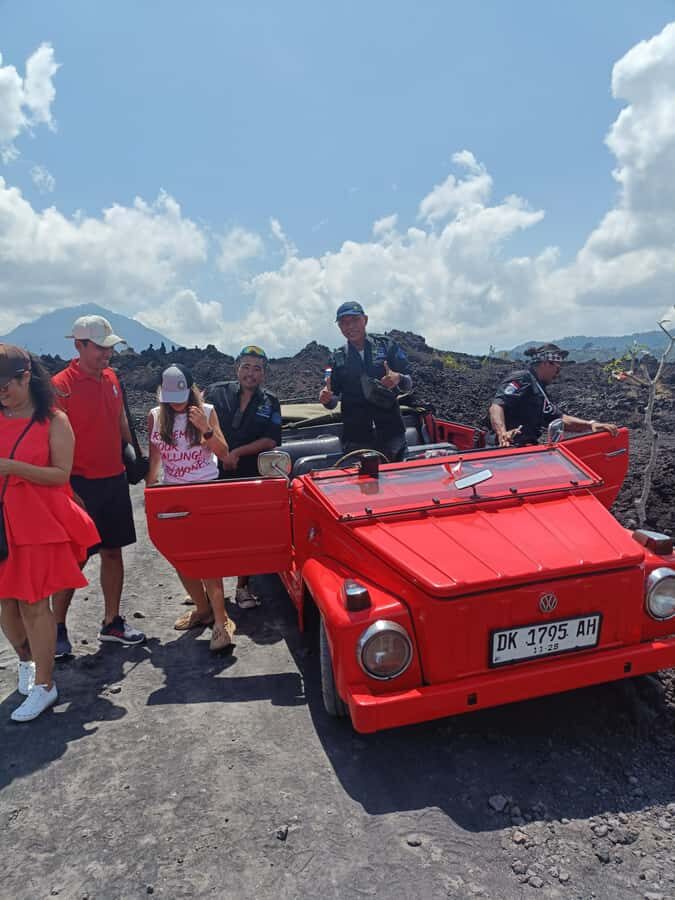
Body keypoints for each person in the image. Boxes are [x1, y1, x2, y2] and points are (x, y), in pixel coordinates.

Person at [0, 345, 100, 721]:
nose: (1, 393)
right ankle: (27, 661)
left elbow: (61, 474)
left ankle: (45, 684)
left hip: (38, 523)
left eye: (6, 385)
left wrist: (12, 467)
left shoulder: (54, 421)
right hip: (3, 522)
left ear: (27, 377)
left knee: (33, 603)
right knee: (6, 604)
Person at [51, 315, 145, 655]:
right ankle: (56, 628)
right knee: (73, 558)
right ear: (79, 345)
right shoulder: (60, 385)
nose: (108, 354)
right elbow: (50, 441)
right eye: (102, 348)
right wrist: (67, 491)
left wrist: (130, 451)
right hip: (79, 484)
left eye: (110, 348)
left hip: (113, 479)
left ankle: (112, 622)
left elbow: (120, 416)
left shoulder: (112, 378)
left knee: (113, 550)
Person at [147, 364, 236, 651]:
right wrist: (150, 491)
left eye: (182, 394)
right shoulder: (156, 417)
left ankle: (221, 622)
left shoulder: (206, 411)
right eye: (171, 396)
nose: (177, 402)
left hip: (205, 491)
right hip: (174, 493)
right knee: (180, 557)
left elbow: (224, 453)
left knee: (208, 559)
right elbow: (155, 460)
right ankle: (203, 609)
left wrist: (205, 429)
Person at [205, 345, 282, 609]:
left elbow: (271, 439)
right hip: (213, 472)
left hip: (249, 471)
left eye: (257, 368)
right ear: (237, 368)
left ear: (264, 374)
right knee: (212, 531)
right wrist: (221, 452)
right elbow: (197, 425)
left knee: (246, 531)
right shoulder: (215, 392)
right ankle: (211, 590)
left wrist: (236, 453)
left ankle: (242, 588)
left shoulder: (270, 401)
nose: (251, 373)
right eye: (246, 366)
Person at [319, 300, 413, 461]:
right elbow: (332, 399)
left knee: (398, 482)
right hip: (357, 439)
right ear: (339, 327)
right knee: (361, 485)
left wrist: (399, 378)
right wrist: (326, 398)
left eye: (355, 320)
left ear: (365, 320)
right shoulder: (336, 357)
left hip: (392, 434)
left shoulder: (386, 345)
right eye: (344, 323)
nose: (350, 327)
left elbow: (409, 382)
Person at [488, 343, 619, 447]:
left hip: (522, 450)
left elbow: (560, 419)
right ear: (546, 363)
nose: (558, 373)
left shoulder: (539, 390)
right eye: (557, 368)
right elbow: (497, 406)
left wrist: (590, 425)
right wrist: (502, 433)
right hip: (502, 451)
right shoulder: (523, 379)